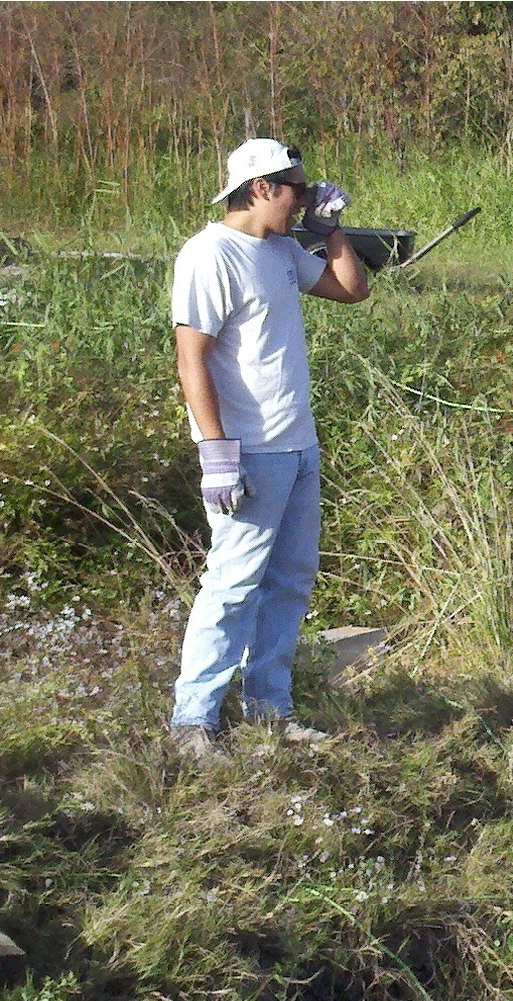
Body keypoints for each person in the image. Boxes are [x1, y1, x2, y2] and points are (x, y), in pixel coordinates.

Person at [166, 138, 372, 758]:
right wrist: (216, 449)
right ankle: (193, 722)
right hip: (249, 452)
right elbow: (191, 358)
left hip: (298, 445)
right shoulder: (210, 255)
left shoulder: (281, 250)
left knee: (289, 581)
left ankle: (269, 710)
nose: (306, 198)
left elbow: (351, 289)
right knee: (232, 584)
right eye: (299, 191)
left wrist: (331, 230)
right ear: (262, 188)